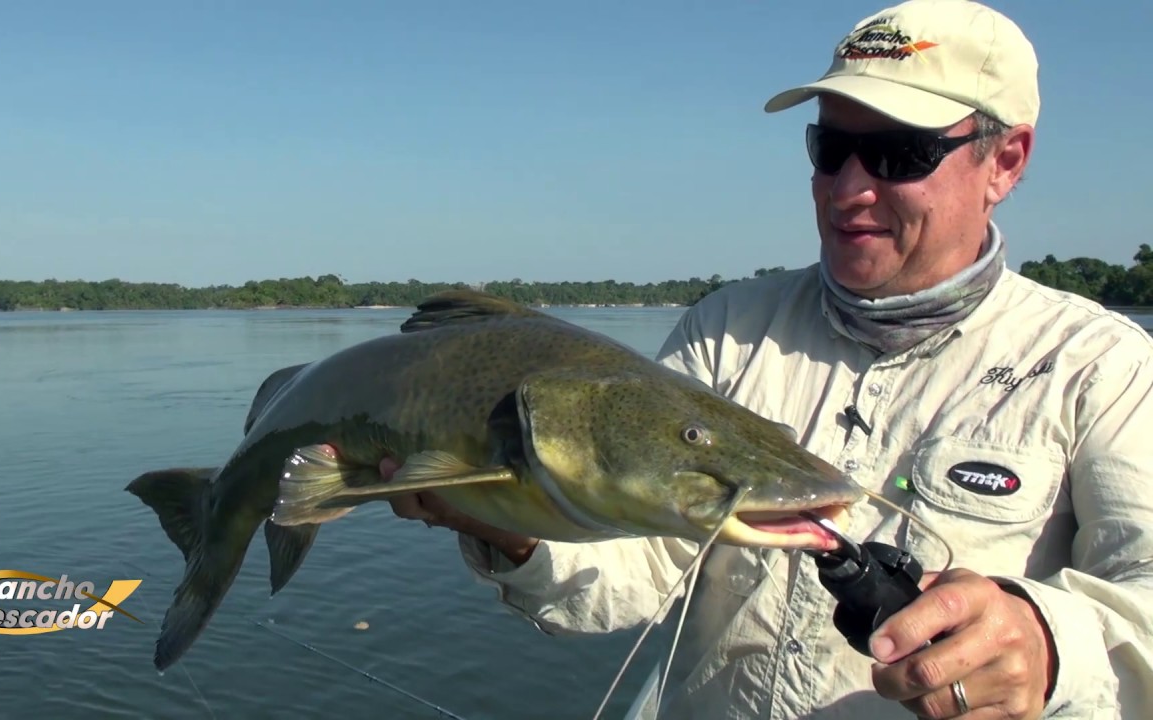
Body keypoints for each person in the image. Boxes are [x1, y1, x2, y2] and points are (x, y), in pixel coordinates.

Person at [384, 1, 1153, 717]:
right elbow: (637, 575)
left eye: (897, 154)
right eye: (832, 148)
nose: (849, 188)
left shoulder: (1104, 368)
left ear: (1006, 162)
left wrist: (1048, 643)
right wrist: (512, 529)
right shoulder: (725, 327)